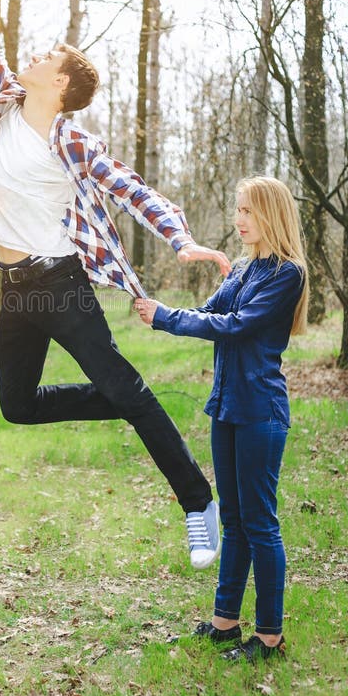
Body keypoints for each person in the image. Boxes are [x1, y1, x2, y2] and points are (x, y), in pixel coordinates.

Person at [0, 0, 232, 569]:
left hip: (59, 285)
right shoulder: (8, 103)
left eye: (47, 55)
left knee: (123, 387)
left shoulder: (70, 141)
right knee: (18, 407)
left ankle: (197, 502)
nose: (33, 56)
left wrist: (179, 239)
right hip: (14, 290)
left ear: (62, 85)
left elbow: (130, 187)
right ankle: (131, 402)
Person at [135, 176, 309, 661]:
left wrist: (168, 317)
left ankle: (270, 636)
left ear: (271, 214)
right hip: (227, 407)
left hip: (260, 411)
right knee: (232, 520)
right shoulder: (242, 270)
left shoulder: (286, 273)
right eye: (237, 210)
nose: (239, 220)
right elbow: (209, 312)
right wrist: (161, 309)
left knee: (260, 523)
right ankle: (224, 623)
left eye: (248, 211)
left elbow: (236, 326)